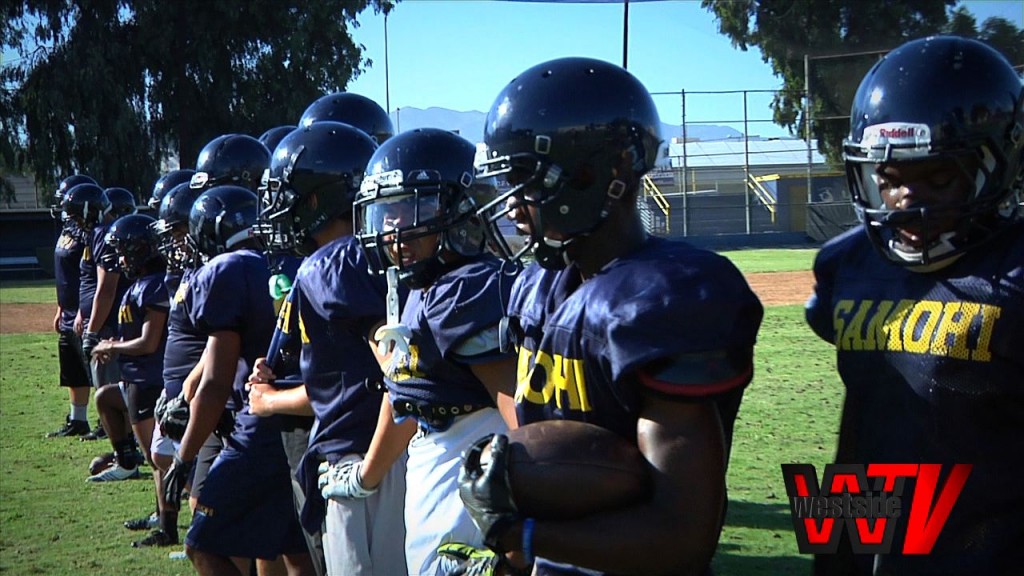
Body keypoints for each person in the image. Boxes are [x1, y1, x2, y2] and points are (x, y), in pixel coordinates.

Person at [460, 57, 764, 576]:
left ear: (608, 174)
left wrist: (526, 536)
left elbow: (684, 534)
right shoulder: (539, 284)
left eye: (527, 179)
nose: (511, 206)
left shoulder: (665, 298)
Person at [805, 35, 1024, 575]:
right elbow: (862, 422)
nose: (906, 201)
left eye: (938, 176)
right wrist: (836, 556)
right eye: (891, 179)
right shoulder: (848, 263)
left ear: (998, 162)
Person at [345, 127, 520, 576]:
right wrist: (367, 476)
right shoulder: (425, 287)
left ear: (458, 209)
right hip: (436, 472)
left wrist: (522, 537)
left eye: (407, 207)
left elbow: (525, 417)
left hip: (470, 478)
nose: (391, 226)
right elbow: (408, 397)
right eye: (386, 211)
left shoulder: (464, 289)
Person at [249, 120, 405, 576]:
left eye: (289, 194)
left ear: (316, 199)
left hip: (359, 457)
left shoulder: (330, 264)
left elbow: (395, 369)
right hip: (384, 448)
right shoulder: (366, 256)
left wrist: (270, 399)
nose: (280, 209)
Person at [163, 185, 313, 576]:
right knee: (294, 551)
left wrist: (185, 455)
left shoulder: (228, 268)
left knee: (203, 544)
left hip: (259, 426)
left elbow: (216, 381)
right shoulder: (288, 259)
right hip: (302, 424)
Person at [47, 174, 100, 438]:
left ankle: (107, 422)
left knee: (95, 369)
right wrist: (60, 307)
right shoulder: (68, 230)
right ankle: (78, 420)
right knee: (73, 371)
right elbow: (64, 273)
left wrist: (83, 309)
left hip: (84, 311)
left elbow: (89, 275)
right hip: (67, 311)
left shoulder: (89, 234)